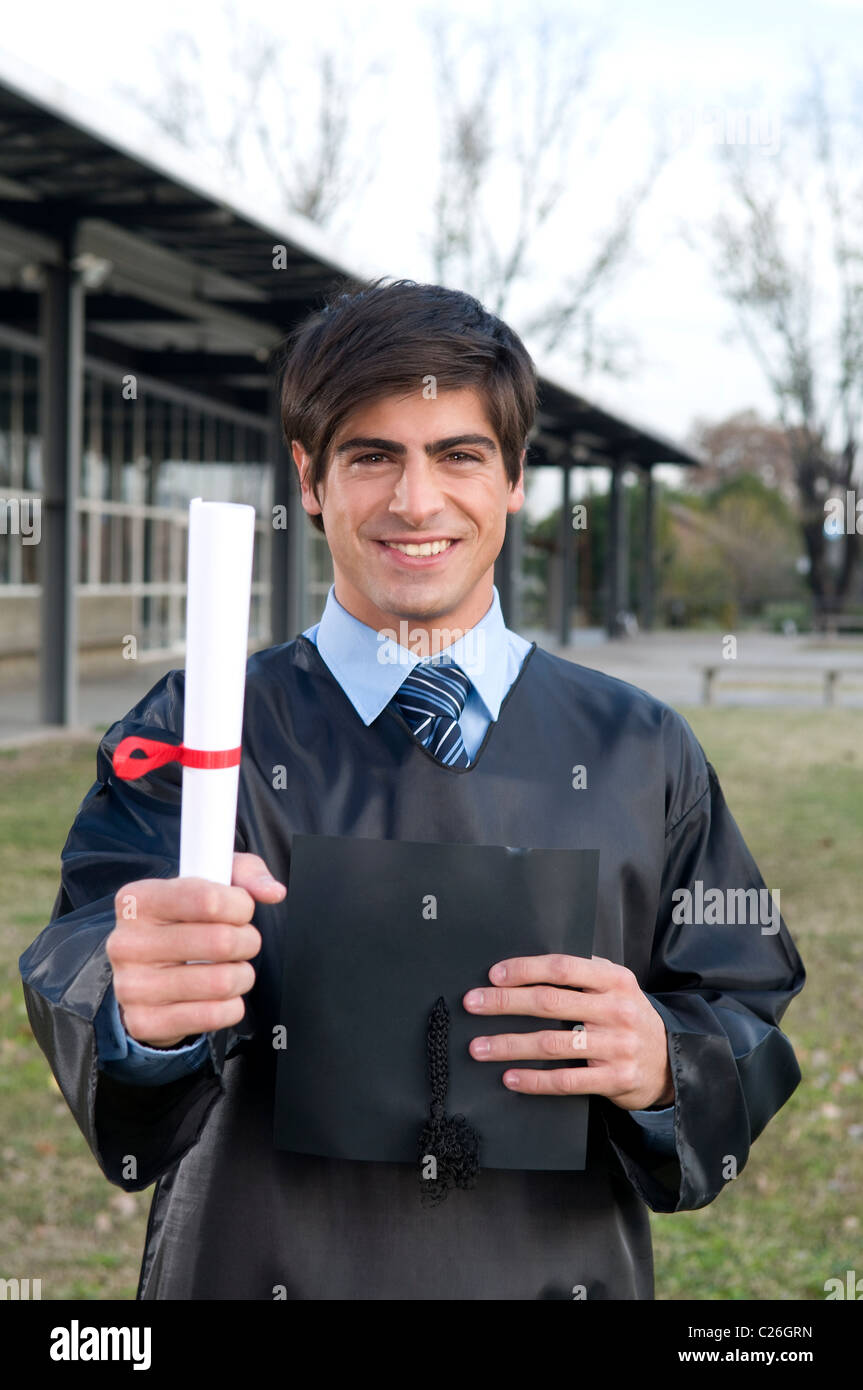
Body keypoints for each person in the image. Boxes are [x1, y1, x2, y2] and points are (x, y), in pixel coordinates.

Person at [20, 277, 805, 1300]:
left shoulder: (637, 747)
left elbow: (739, 1004)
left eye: (457, 455)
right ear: (307, 477)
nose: (415, 501)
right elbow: (88, 946)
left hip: (552, 1271)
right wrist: (132, 1002)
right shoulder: (198, 728)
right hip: (253, 1265)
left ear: (515, 475)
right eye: (371, 455)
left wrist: (665, 1059)